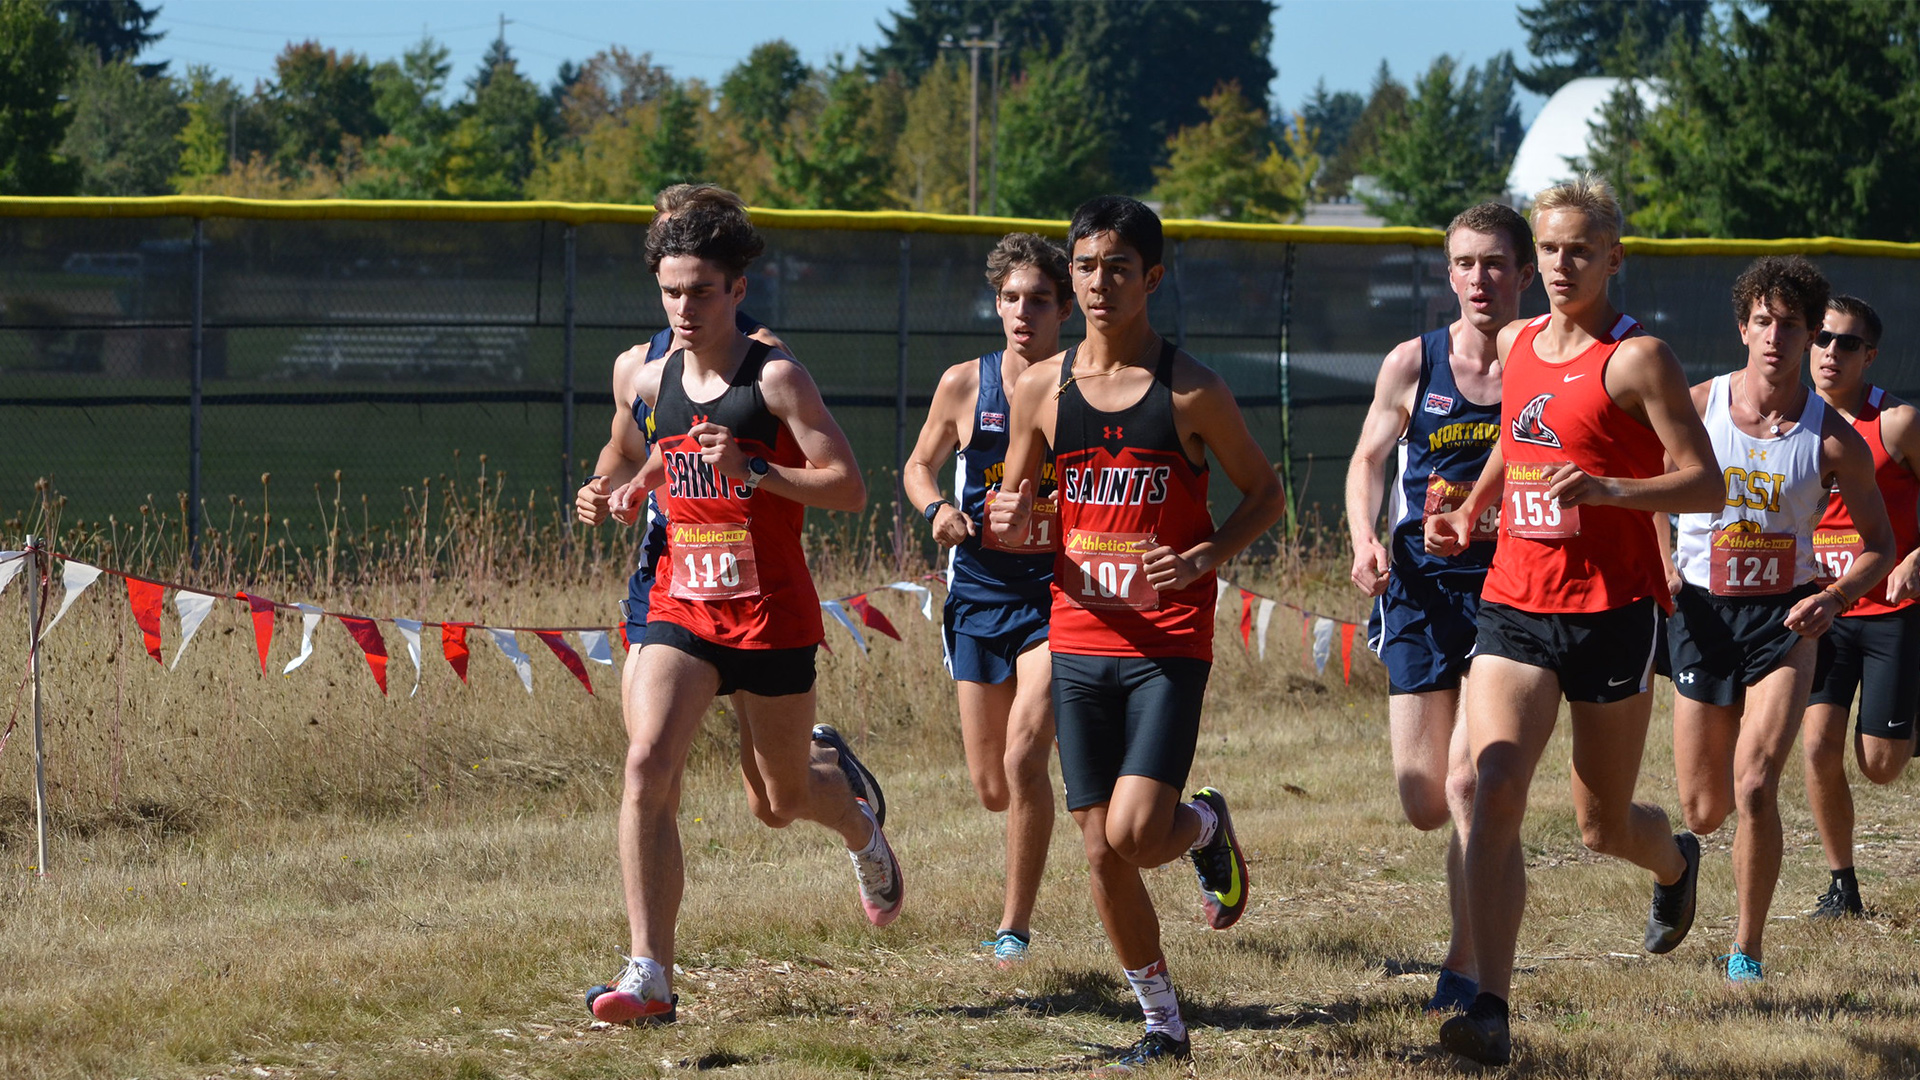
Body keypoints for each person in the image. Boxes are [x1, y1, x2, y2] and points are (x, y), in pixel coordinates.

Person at [1424, 176, 1724, 1066]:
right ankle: (1489, 1005)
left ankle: (1671, 861)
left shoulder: (1640, 360)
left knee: (1601, 827)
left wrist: (1611, 491)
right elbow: (1519, 438)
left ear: (1613, 259)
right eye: (1549, 250)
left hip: (1612, 613)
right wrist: (1475, 511)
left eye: (1579, 251)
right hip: (1516, 600)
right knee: (1489, 788)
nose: (1560, 265)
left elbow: (1704, 482)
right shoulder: (1518, 340)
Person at [582, 197, 902, 1026]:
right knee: (648, 763)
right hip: (678, 603)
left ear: (736, 289)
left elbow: (850, 488)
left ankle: (857, 820)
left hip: (771, 614)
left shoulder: (776, 376)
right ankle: (650, 973)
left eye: (699, 292)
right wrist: (612, 489)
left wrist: (757, 469)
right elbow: (642, 446)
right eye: (670, 293)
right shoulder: (642, 372)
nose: (683, 310)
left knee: (779, 801)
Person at [990, 196, 1284, 1074]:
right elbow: (1025, 514)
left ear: (1151, 279)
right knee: (1099, 847)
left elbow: (1265, 495)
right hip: (1078, 637)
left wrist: (1206, 555)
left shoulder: (1189, 389)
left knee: (1135, 830)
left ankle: (1201, 826)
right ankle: (1162, 1020)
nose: (1098, 283)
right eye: (1084, 266)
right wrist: (1008, 514)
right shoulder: (1041, 387)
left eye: (1117, 268)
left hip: (1165, 645)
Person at [1662, 258, 1893, 982]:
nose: (1776, 337)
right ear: (1743, 328)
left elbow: (1882, 547)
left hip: (1785, 621)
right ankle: (1682, 862)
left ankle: (1746, 949)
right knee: (1703, 809)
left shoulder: (1833, 440)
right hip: (1701, 612)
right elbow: (1644, 487)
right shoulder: (1697, 405)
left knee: (1757, 784)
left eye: (1791, 326)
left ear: (1809, 336)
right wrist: (1660, 560)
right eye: (1763, 321)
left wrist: (1834, 598)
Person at [1345, 203, 1536, 1014]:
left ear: (1524, 272)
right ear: (1447, 273)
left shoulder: (1547, 364)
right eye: (1465, 263)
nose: (1479, 279)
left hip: (1510, 588)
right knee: (1425, 798)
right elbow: (1366, 460)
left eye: (1495, 263)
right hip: (1420, 586)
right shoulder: (1412, 362)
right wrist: (1364, 539)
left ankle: (1468, 966)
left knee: (1472, 784)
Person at [902, 233, 1072, 967]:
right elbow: (917, 463)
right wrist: (937, 508)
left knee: (1028, 756)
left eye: (1039, 299)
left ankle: (1014, 928)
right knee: (993, 786)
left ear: (1066, 308)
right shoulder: (966, 383)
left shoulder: (1089, 387)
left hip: (1059, 596)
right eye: (1011, 298)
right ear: (995, 302)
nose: (1023, 312)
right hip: (978, 593)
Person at [1801, 295, 1919, 919]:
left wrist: (1915, 555)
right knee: (1817, 746)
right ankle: (1842, 885)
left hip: (1891, 609)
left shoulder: (1897, 422)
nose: (1830, 352)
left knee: (1879, 766)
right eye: (1822, 339)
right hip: (1822, 611)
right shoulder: (1787, 421)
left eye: (1847, 343)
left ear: (1869, 355)